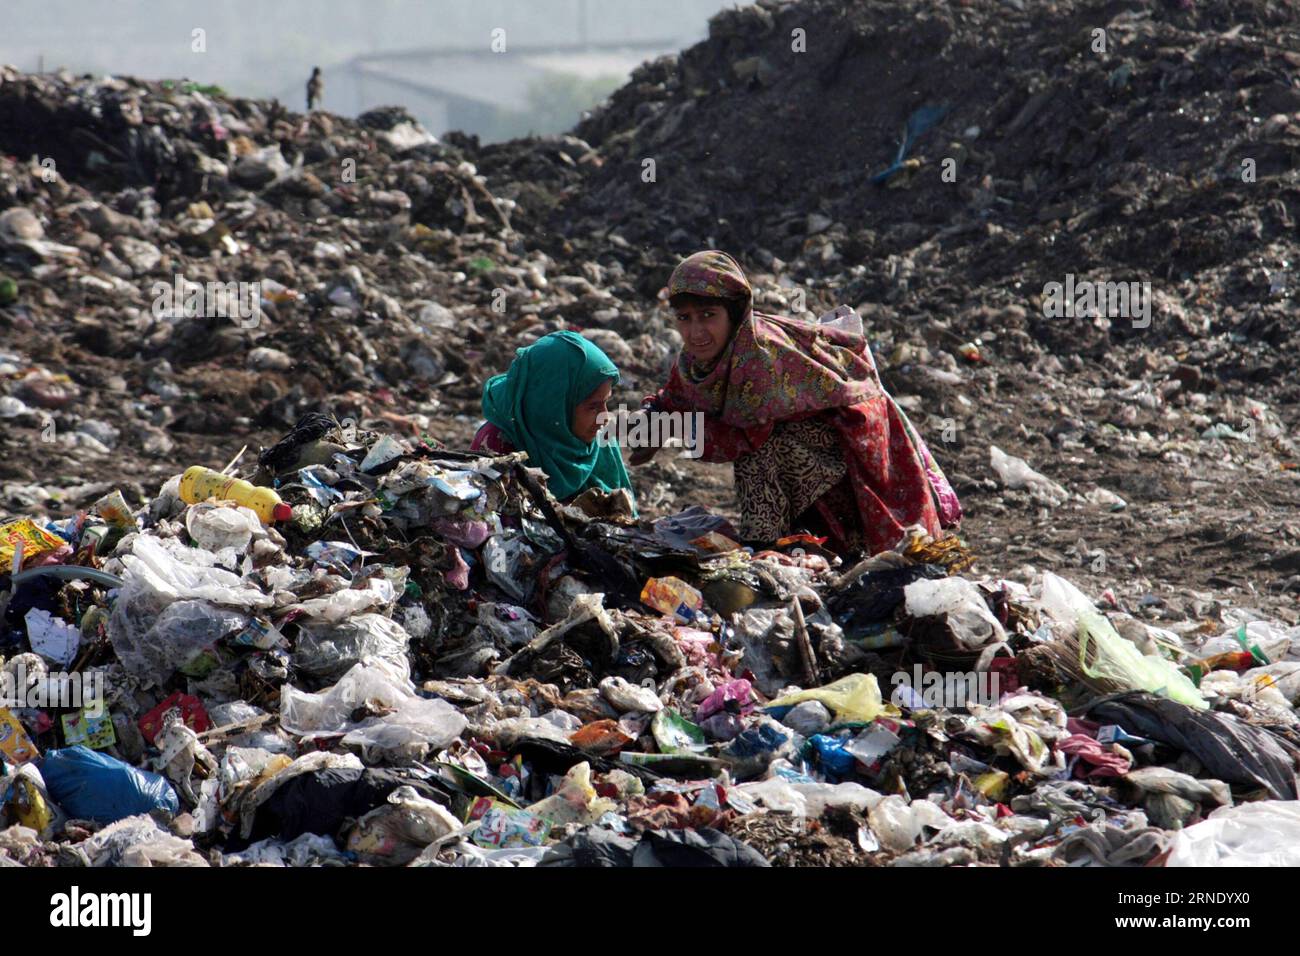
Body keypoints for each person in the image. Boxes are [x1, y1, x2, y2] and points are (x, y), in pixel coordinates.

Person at [632, 250, 961, 556]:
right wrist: (649, 418)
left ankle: (769, 546)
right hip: (806, 437)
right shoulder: (694, 361)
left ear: (734, 314)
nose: (696, 331)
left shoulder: (757, 357)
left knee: (760, 453)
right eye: (684, 318)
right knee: (769, 447)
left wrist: (668, 431)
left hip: (851, 440)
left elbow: (737, 437)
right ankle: (798, 541)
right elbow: (673, 399)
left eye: (708, 316)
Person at [471, 330, 633, 504]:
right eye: (593, 406)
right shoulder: (499, 446)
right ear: (553, 405)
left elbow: (624, 516)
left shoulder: (600, 443)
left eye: (606, 402)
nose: (605, 417)